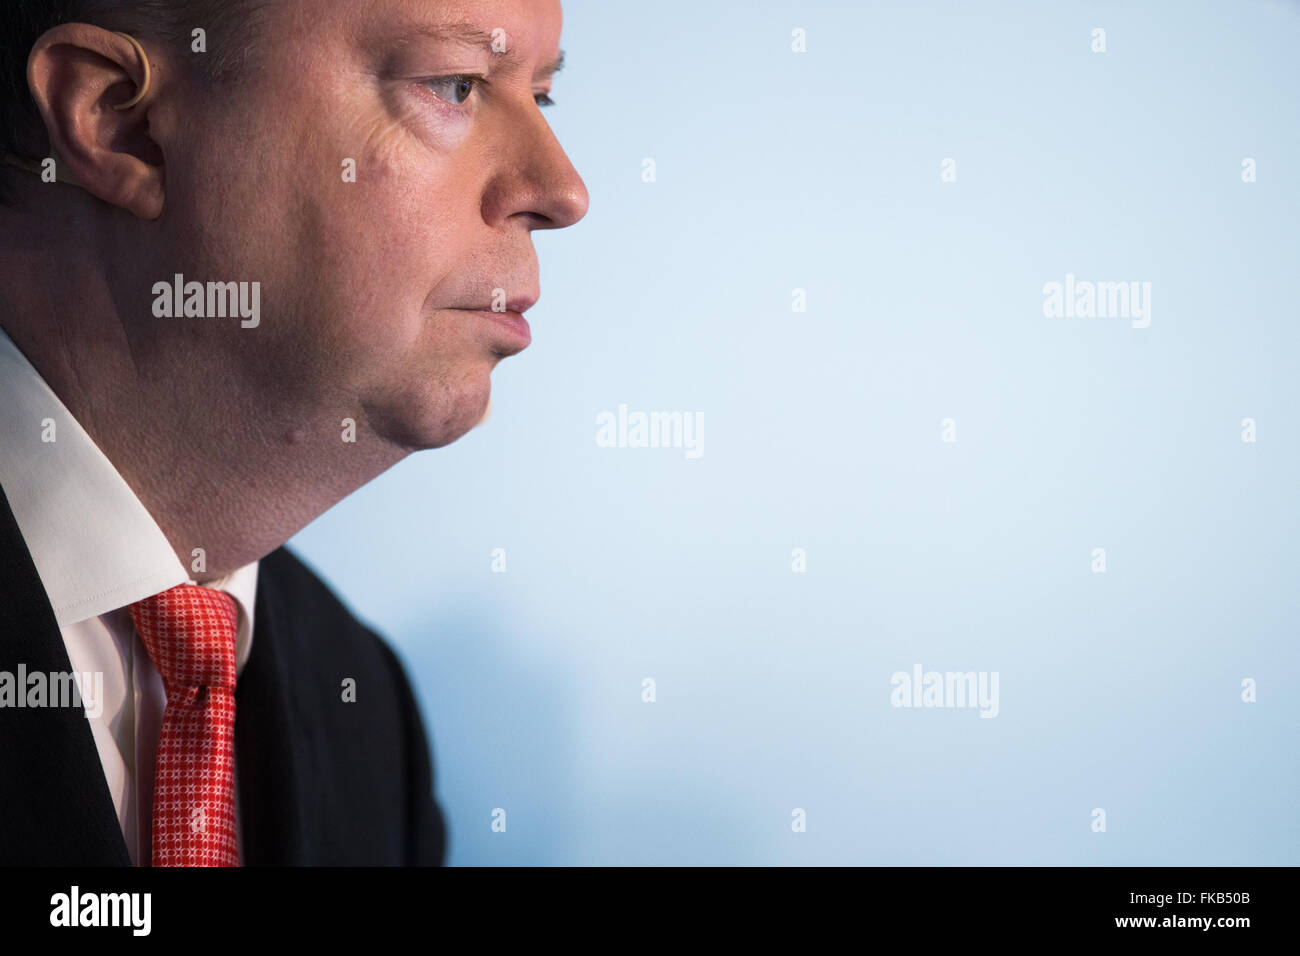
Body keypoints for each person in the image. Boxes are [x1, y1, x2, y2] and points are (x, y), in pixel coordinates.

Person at [0, 0, 588, 866]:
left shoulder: (364, 716)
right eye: (454, 85)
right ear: (119, 121)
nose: (562, 190)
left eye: (542, 96)